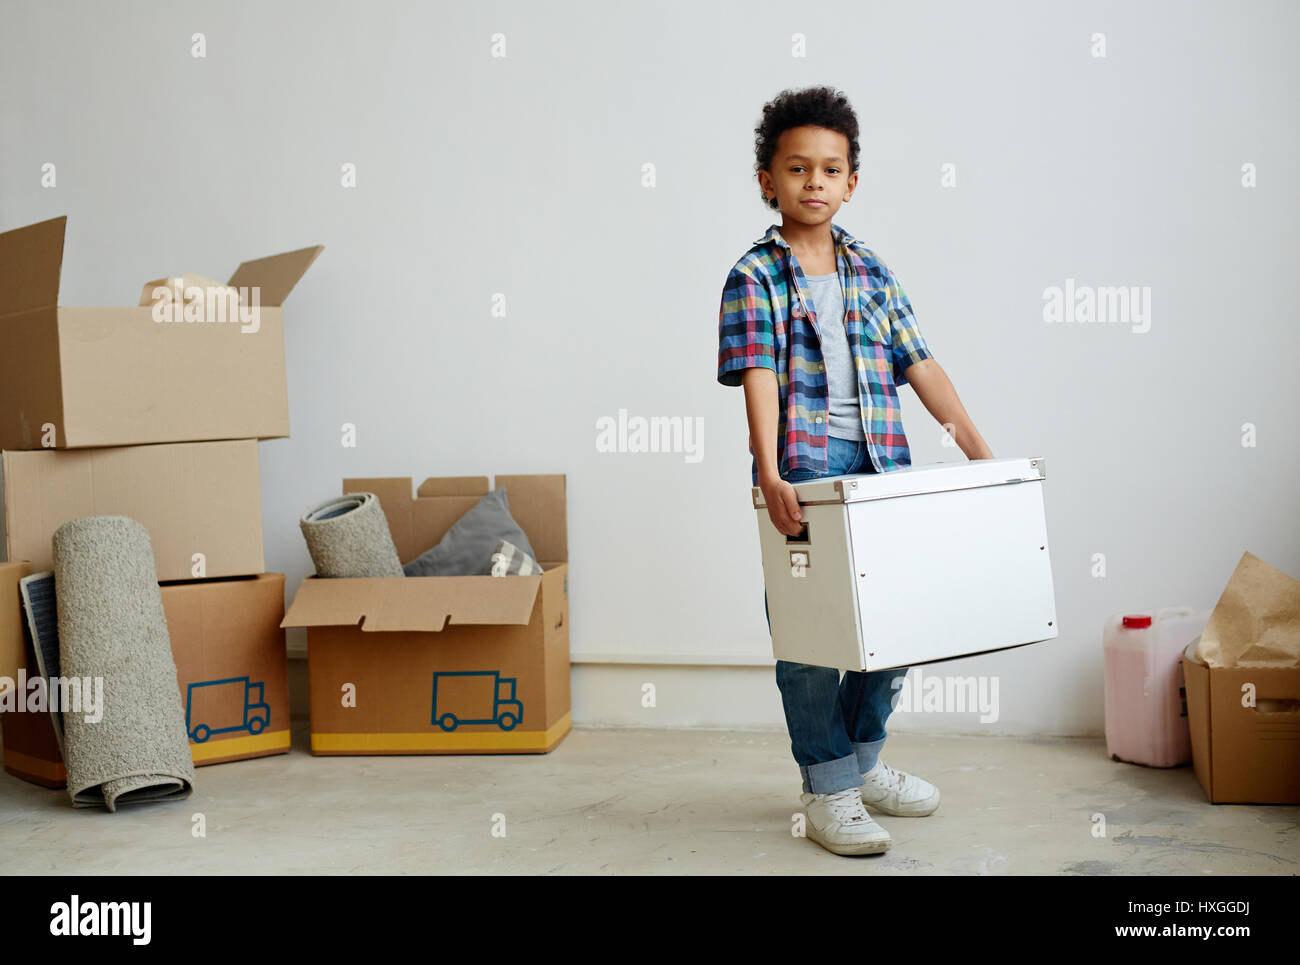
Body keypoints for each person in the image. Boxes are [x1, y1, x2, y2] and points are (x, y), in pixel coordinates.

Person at [716, 86, 995, 856]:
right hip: (805, 470)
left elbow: (921, 363)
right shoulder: (754, 276)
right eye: (796, 168)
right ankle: (829, 787)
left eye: (830, 169)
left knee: (893, 627)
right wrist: (770, 471)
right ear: (767, 180)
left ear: (851, 182)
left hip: (882, 468)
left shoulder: (871, 269)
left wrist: (976, 448)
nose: (814, 182)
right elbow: (759, 374)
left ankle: (861, 762)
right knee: (810, 641)